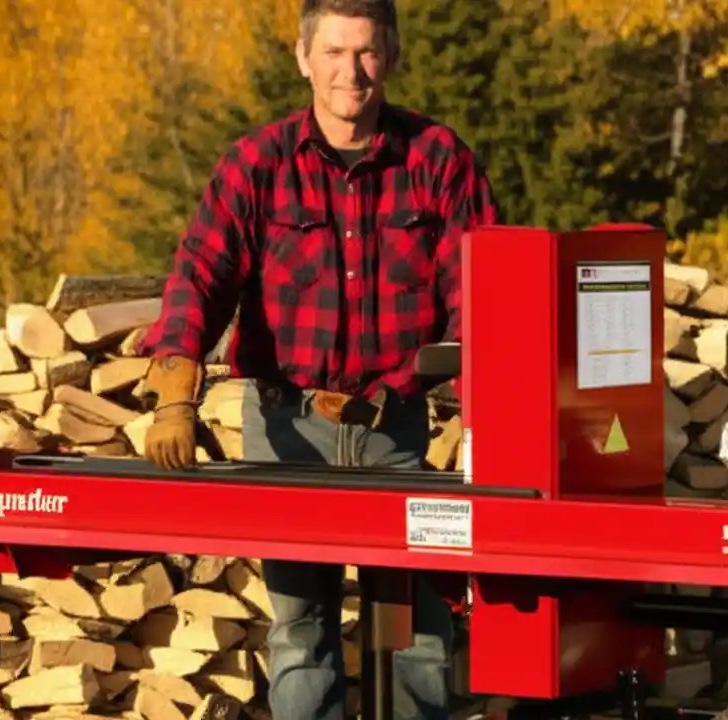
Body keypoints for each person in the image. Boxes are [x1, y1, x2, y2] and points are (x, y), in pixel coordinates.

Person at [136, 1, 497, 718]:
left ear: (390, 55)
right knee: (303, 632)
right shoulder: (257, 164)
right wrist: (177, 386)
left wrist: (489, 412)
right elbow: (202, 271)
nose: (349, 72)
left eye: (365, 52)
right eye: (333, 52)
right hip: (285, 432)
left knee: (416, 632)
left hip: (395, 434)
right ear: (303, 57)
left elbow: (479, 294)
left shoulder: (437, 159)